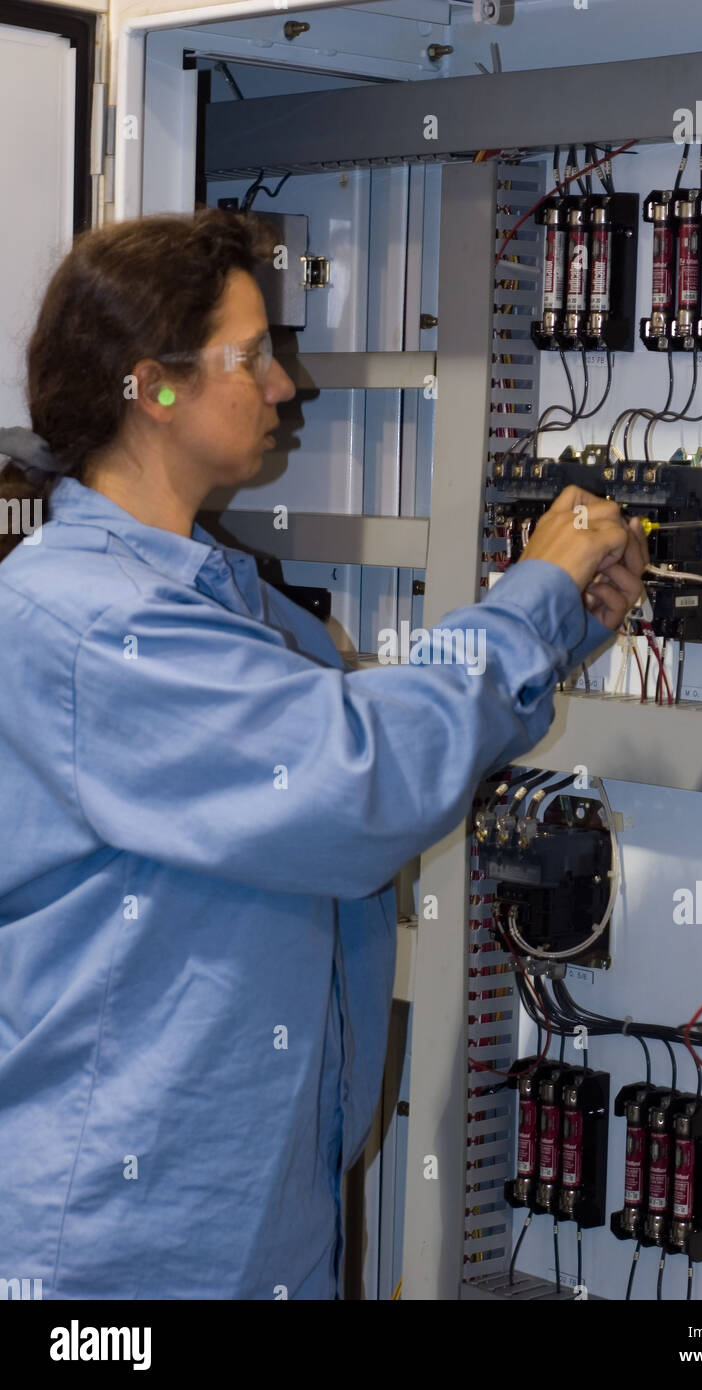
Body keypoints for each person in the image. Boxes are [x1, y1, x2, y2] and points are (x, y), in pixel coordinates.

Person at [0, 208, 648, 1300]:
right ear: (152, 386)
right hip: (120, 1254)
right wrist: (528, 595)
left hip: (260, 1223)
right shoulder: (84, 621)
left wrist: (562, 622)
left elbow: (368, 715)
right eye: (248, 357)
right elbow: (354, 776)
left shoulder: (221, 605)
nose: (283, 384)